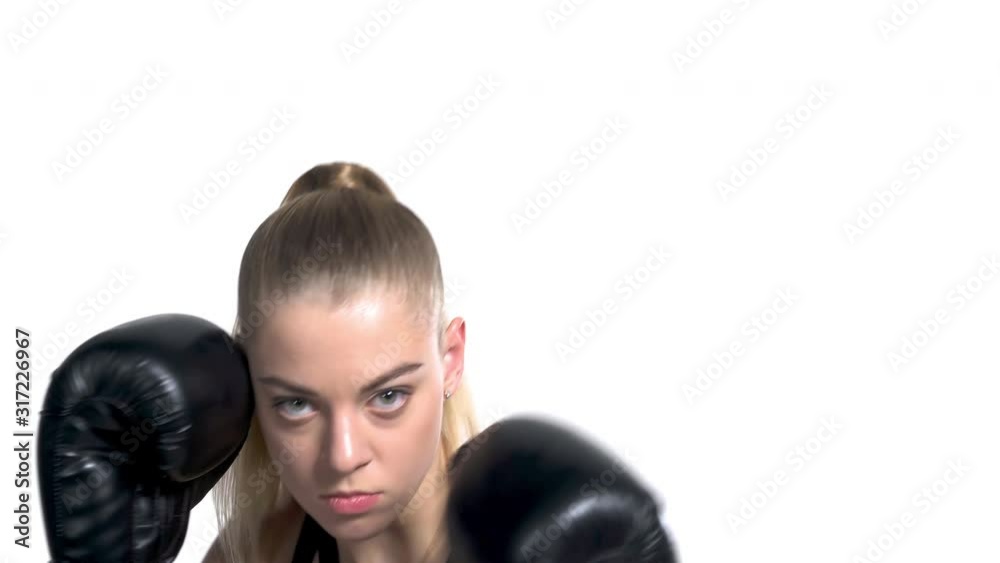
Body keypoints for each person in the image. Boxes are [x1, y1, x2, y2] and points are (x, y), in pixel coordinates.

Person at [206, 161, 479, 563]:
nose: (343, 458)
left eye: (388, 397)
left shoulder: (533, 538)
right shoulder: (255, 553)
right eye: (296, 404)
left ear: (450, 361)